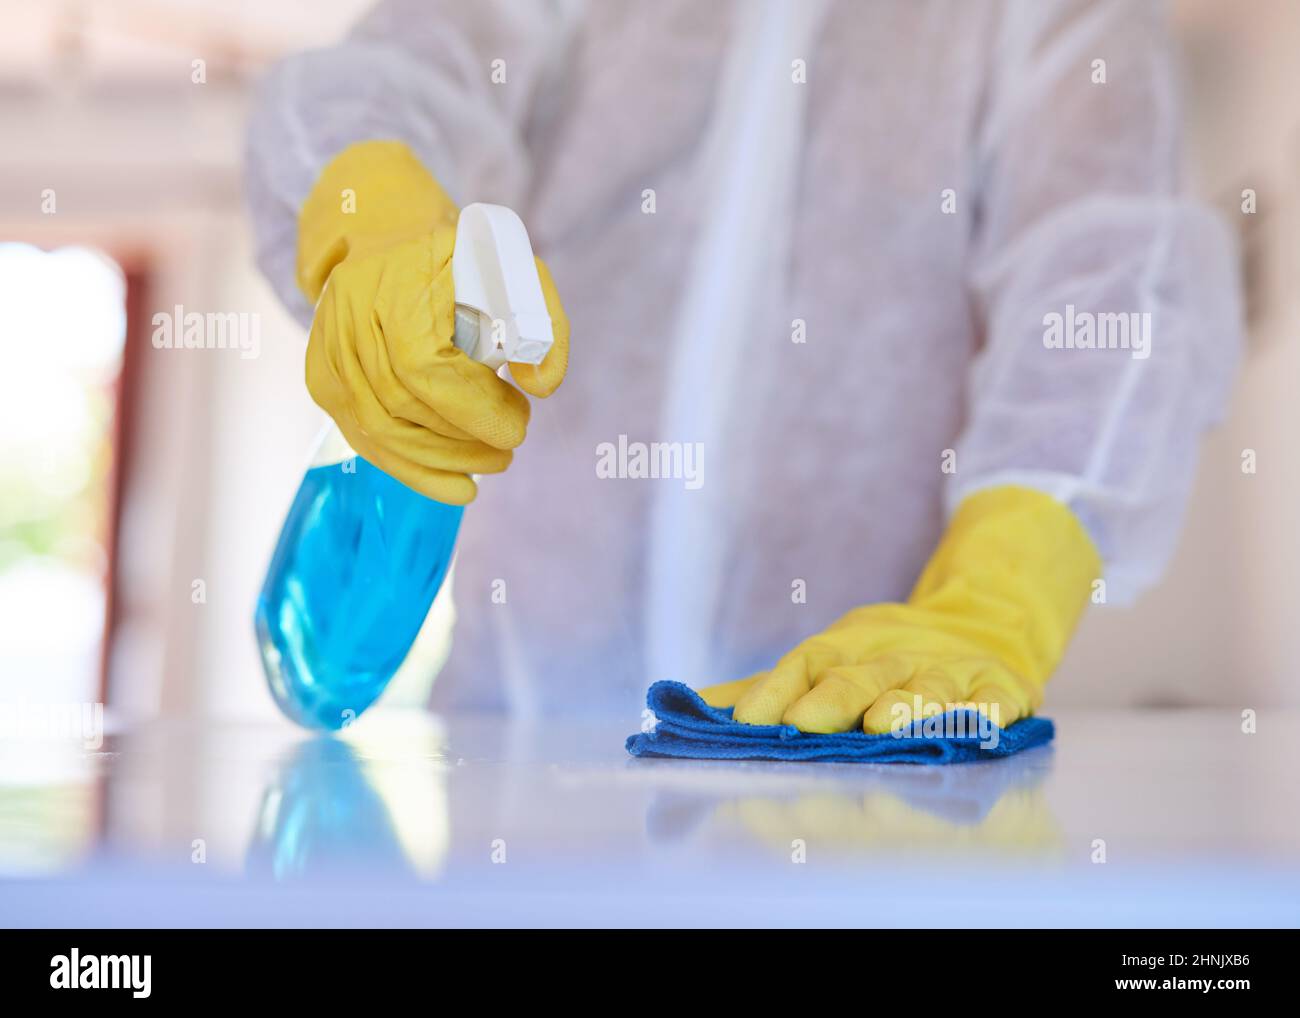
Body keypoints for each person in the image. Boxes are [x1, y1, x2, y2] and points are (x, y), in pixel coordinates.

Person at [245, 0, 1241, 730]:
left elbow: (1108, 290)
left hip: (852, 772)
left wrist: (996, 597)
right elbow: (388, 81)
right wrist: (369, 200)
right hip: (517, 768)